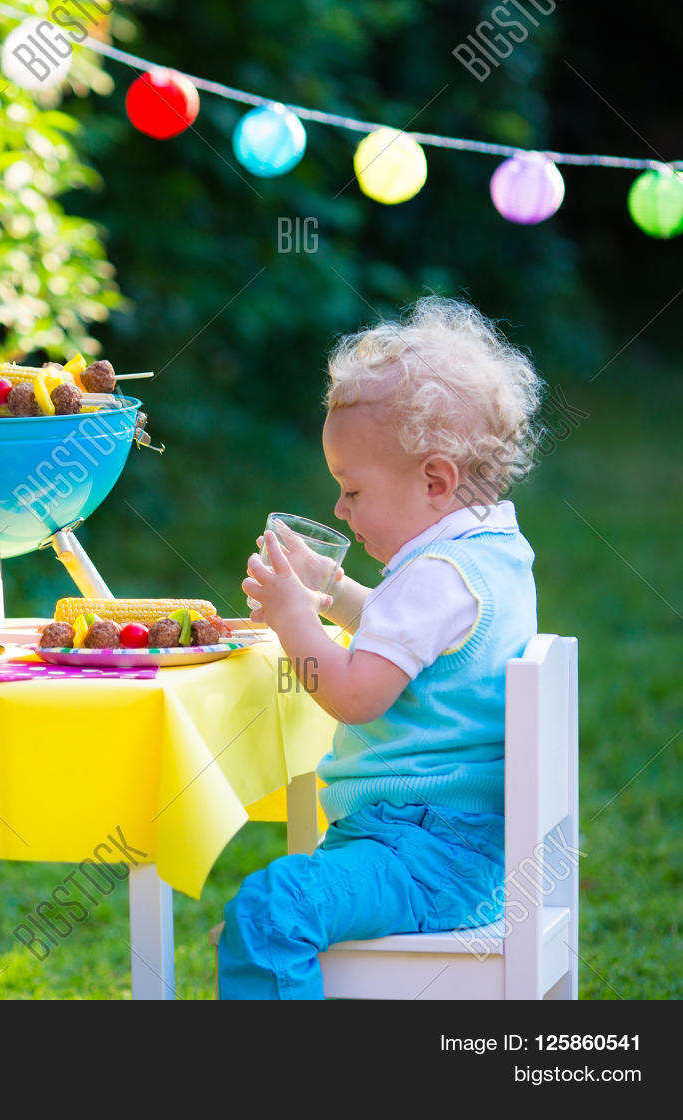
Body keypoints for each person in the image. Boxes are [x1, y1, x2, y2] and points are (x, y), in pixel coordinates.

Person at [218, 296, 544, 999]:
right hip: (460, 849)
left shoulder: (436, 575)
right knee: (268, 919)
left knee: (269, 911)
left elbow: (356, 694)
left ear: (436, 481)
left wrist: (292, 620)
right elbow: (412, 643)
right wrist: (332, 592)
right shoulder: (489, 554)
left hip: (422, 853)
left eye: (353, 490)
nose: (340, 510)